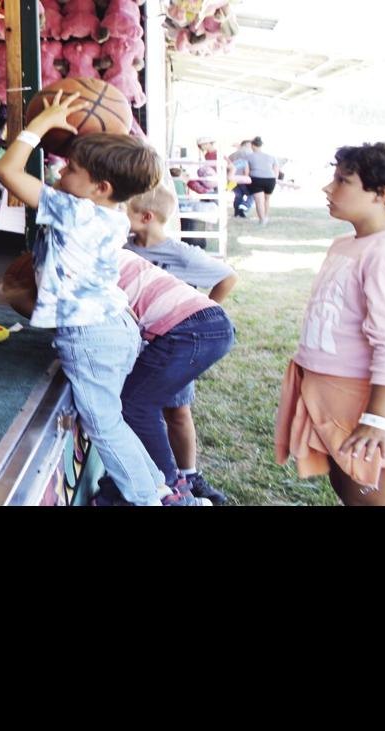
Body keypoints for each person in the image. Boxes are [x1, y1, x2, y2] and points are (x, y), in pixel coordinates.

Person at [0, 92, 196, 506]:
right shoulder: (111, 212)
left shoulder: (76, 211)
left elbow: (6, 170)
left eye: (70, 169)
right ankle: (159, 488)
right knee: (112, 419)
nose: (61, 173)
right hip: (116, 324)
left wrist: (40, 125)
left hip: (92, 333)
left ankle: (146, 499)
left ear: (101, 187)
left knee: (103, 424)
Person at [0, 241, 234, 508]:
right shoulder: (99, 254)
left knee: (134, 407)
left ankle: (167, 491)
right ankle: (154, 483)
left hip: (185, 330)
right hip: (199, 323)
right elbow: (130, 316)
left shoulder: (78, 276)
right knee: (136, 403)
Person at [274, 143, 385, 506]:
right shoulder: (344, 244)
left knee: (368, 494)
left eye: (343, 181)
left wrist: (377, 418)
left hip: (359, 397)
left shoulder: (383, 252)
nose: (329, 188)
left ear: (382, 194)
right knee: (345, 487)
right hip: (323, 390)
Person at [123, 184, 238, 504]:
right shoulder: (125, 248)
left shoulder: (180, 253)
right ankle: (151, 471)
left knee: (176, 410)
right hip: (136, 345)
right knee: (143, 407)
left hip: (175, 342)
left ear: (146, 216)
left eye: (124, 210)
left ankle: (187, 476)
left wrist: (205, 305)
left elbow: (227, 276)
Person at [242, 136, 282, 225]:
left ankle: (262, 219)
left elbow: (246, 170)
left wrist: (246, 178)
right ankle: (266, 216)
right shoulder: (271, 156)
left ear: (252, 145)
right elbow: (276, 168)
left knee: (259, 200)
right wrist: (274, 178)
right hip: (270, 179)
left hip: (256, 179)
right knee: (267, 199)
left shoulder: (248, 156)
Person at [229, 140, 254, 217]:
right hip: (244, 178)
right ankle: (244, 207)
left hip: (232, 179)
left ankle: (237, 212)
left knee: (238, 195)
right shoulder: (250, 153)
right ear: (247, 144)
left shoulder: (232, 155)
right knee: (252, 194)